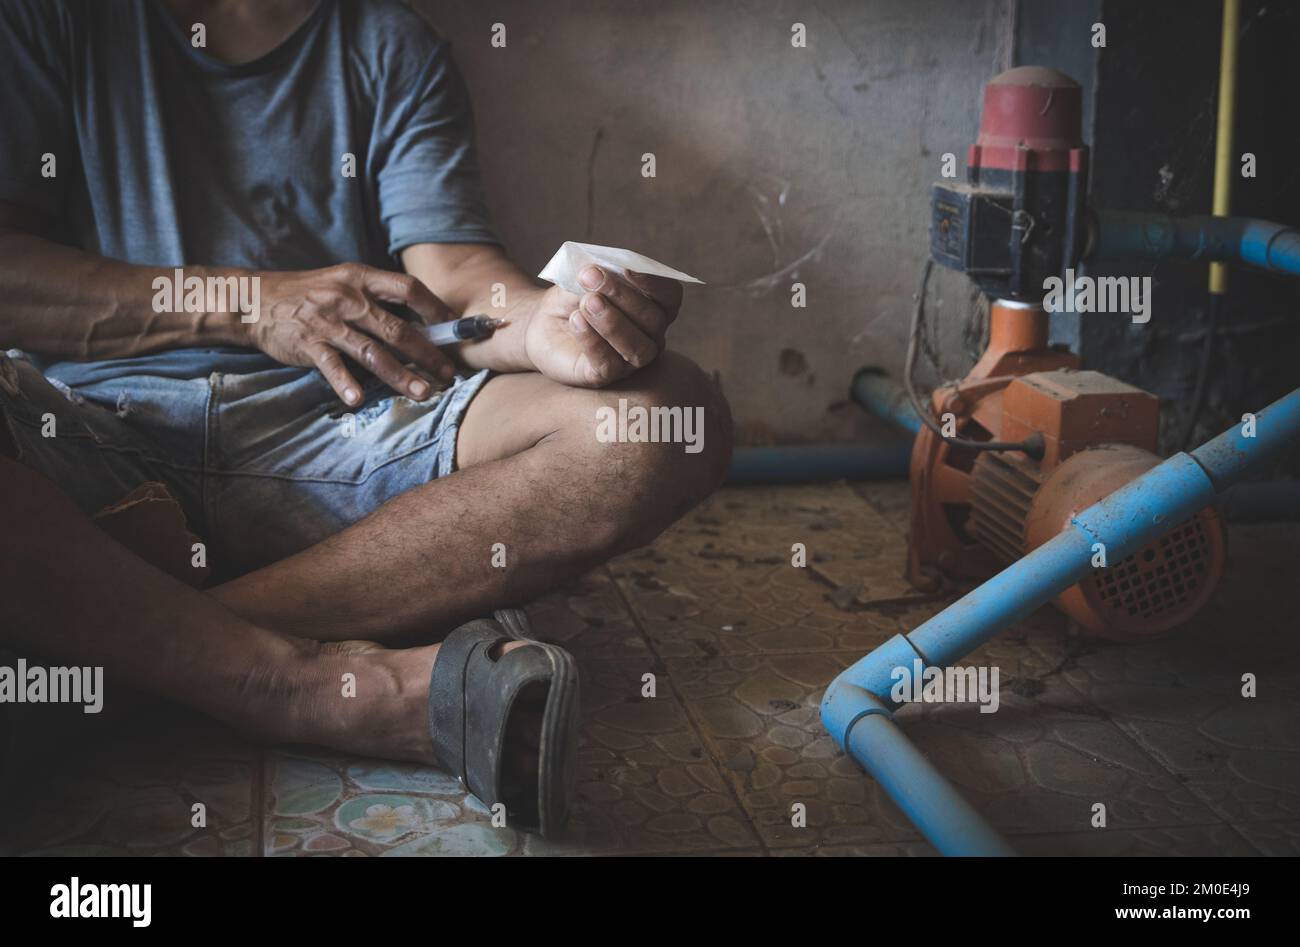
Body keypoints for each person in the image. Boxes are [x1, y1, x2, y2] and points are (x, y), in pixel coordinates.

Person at [0, 0, 730, 835]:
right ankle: (300, 684)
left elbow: (451, 276)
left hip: (341, 428)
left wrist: (546, 323)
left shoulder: (388, 44)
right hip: (85, 427)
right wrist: (247, 305)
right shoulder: (49, 20)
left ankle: (138, 650)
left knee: (668, 420)